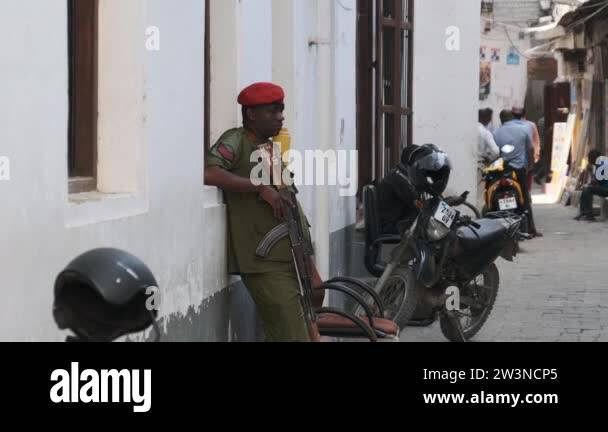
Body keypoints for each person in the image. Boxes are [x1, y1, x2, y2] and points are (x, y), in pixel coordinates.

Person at [204, 82, 323, 342]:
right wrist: (258, 188)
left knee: (292, 333)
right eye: (272, 111)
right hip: (264, 263)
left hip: (291, 260)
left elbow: (292, 214)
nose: (280, 117)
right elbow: (210, 172)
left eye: (281, 110)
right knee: (293, 336)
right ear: (251, 114)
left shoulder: (270, 150)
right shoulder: (236, 140)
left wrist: (311, 270)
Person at [494, 109, 542, 238]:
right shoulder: (523, 130)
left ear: (501, 119)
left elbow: (493, 152)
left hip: (501, 170)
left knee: (494, 194)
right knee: (525, 198)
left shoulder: (496, 132)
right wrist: (530, 165)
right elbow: (530, 149)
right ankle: (531, 229)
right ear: (512, 118)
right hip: (519, 169)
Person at [376, 145, 421, 235]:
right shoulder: (399, 179)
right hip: (389, 226)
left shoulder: (401, 174)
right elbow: (418, 204)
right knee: (427, 228)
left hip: (395, 222)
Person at [574, 150, 608, 222]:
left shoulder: (601, 165)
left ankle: (588, 214)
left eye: (590, 158)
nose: (589, 160)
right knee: (586, 189)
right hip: (604, 188)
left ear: (594, 158)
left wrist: (590, 171)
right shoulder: (599, 165)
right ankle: (584, 212)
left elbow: (596, 182)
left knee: (588, 189)